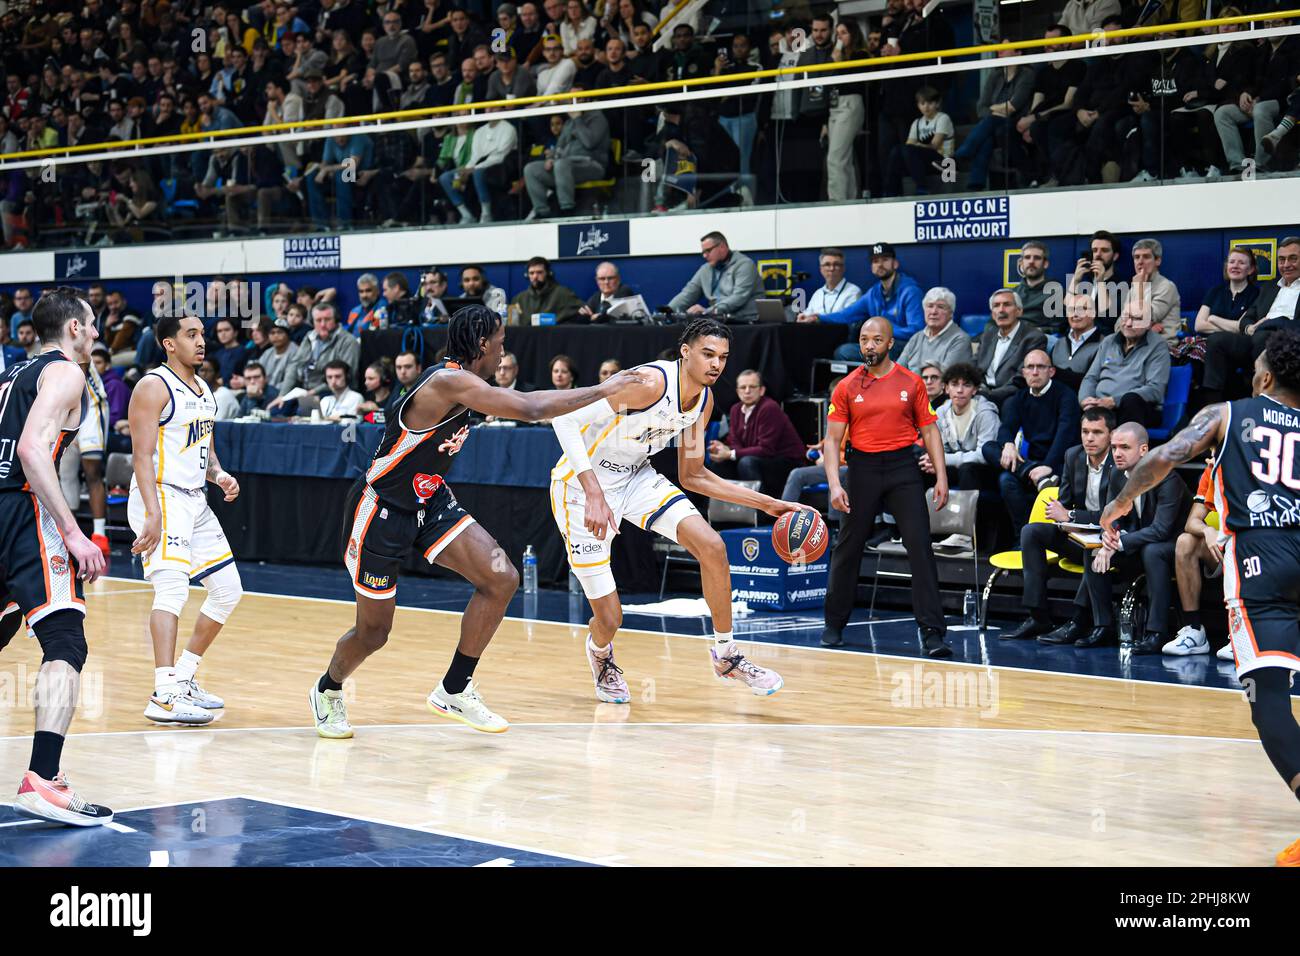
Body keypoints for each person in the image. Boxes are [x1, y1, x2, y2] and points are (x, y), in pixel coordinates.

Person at [309, 306, 648, 738]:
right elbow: (529, 407)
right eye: (501, 342)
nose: (504, 351)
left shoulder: (470, 383)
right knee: (374, 633)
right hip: (381, 510)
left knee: (501, 577)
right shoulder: (449, 381)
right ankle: (328, 689)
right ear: (483, 344)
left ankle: (454, 687)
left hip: (429, 499)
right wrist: (605, 389)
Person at [1101, 331, 1300, 864]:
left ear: (1262, 378)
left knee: (1269, 699)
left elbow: (1168, 454)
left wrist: (1121, 501)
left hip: (1262, 562)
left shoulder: (1229, 413)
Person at [549, 319, 802, 704]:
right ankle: (600, 653)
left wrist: (769, 504)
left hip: (635, 478)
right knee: (610, 618)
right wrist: (593, 491)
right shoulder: (647, 383)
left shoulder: (704, 400)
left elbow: (695, 474)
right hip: (581, 488)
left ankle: (726, 654)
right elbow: (563, 419)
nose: (716, 364)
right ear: (685, 352)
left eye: (723, 357)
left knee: (712, 546)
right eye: (708, 354)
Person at [0, 287, 111, 826]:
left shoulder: (10, 376)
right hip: (23, 512)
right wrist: (72, 531)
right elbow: (29, 451)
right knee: (65, 636)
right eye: (91, 324)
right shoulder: (65, 373)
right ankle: (43, 778)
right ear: (72, 329)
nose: (95, 333)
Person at [127, 313, 244, 726]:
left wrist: (220, 474)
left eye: (202, 334)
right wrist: (153, 512)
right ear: (168, 344)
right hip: (160, 495)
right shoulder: (152, 386)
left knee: (229, 590)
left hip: (195, 499)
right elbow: (141, 456)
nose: (201, 341)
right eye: (191, 335)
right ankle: (163, 694)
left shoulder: (204, 390)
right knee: (173, 590)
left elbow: (204, 449)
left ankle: (184, 677)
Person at [819, 317, 952, 658]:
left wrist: (941, 475)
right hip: (862, 468)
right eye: (864, 339)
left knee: (920, 547)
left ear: (890, 343)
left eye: (876, 340)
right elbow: (833, 441)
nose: (869, 346)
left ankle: (932, 632)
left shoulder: (912, 382)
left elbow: (931, 431)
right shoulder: (847, 386)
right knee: (848, 547)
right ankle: (834, 623)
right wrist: (835, 484)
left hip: (902, 468)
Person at [1005, 407, 1116, 642]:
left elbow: (1116, 514)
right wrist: (1064, 516)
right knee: (1031, 531)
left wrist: (1072, 516)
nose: (1089, 438)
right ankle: (1038, 616)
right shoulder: (1073, 456)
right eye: (1085, 431)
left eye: (1097, 432)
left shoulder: (1120, 462)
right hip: (1080, 536)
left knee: (1092, 547)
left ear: (1111, 435)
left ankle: (1078, 620)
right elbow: (1063, 506)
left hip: (1111, 542)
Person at [1077, 422, 1190, 653]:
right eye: (1114, 447)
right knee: (1093, 549)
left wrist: (1118, 543)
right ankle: (1103, 626)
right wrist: (1108, 541)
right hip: (1139, 543)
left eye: (1124, 447)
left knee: (1154, 550)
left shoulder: (1167, 478)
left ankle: (1156, 632)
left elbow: (1161, 530)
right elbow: (1115, 518)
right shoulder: (1118, 475)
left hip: (1175, 548)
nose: (1117, 453)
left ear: (1144, 450)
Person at [981, 348, 1080, 532]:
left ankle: (1030, 535)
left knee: (1006, 476)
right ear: (1024, 372)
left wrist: (1048, 466)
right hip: (1030, 466)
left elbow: (1064, 436)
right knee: (989, 449)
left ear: (1051, 371)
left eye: (1040, 367)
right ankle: (1022, 537)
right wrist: (1009, 444)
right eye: (1030, 367)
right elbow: (1006, 428)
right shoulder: (1019, 398)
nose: (1035, 372)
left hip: (1059, 464)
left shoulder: (1066, 396)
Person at [1202, 236, 1300, 406]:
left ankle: (1261, 404)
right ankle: (1213, 405)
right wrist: (1248, 328)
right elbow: (1248, 317)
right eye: (1282, 260)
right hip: (1256, 337)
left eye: (1293, 258)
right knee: (1217, 340)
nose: (1286, 265)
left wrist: (1273, 323)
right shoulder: (1270, 287)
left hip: (1290, 341)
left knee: (1264, 337)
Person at [797, 244, 925, 359]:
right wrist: (817, 318)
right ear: (872, 267)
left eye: (885, 260)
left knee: (877, 354)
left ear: (895, 263)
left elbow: (916, 330)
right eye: (875, 261)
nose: (880, 264)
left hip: (903, 345)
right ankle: (864, 383)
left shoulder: (910, 291)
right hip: (880, 344)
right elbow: (846, 314)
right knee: (843, 352)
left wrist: (884, 333)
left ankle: (879, 381)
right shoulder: (874, 293)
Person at [707, 369, 807, 499]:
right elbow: (734, 440)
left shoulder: (769, 408)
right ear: (737, 391)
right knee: (719, 464)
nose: (747, 391)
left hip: (787, 463)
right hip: (759, 459)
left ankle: (760, 512)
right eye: (743, 387)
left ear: (761, 390)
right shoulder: (735, 409)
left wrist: (731, 453)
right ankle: (723, 510)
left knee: (746, 462)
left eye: (752, 387)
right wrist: (725, 449)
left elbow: (766, 449)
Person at [1078, 290, 1172, 428]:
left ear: (1149, 324)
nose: (1128, 323)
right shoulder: (1109, 341)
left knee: (1131, 400)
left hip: (1136, 409)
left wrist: (1115, 401)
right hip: (1101, 408)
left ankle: (1125, 447)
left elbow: (1155, 390)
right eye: (1125, 317)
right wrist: (1086, 400)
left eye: (1136, 319)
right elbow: (1091, 377)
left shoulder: (1158, 346)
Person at [1162, 460, 1222, 657]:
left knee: (1245, 542)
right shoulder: (1213, 470)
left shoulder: (1257, 465)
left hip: (1259, 544)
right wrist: (1208, 530)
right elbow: (1192, 522)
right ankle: (1194, 630)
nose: (1209, 457)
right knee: (1186, 541)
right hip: (1225, 548)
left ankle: (1243, 634)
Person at [926, 362, 1000, 502]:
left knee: (967, 470)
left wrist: (943, 460)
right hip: (957, 467)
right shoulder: (941, 412)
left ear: (974, 390)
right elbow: (940, 448)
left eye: (966, 385)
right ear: (946, 388)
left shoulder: (986, 413)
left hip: (985, 470)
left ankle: (967, 522)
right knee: (922, 469)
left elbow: (985, 455)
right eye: (954, 384)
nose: (960, 390)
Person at [522, 106, 609, 219]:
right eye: (571, 100)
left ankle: (567, 209)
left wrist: (578, 120)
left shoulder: (597, 118)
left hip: (592, 165)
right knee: (530, 169)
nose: (574, 103)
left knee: (561, 164)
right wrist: (551, 158)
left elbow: (589, 142)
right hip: (564, 167)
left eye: (578, 99)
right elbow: (559, 147)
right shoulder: (568, 123)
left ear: (586, 100)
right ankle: (542, 212)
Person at [974, 289, 1050, 408]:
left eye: (1007, 305)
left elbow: (1021, 380)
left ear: (1019, 311)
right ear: (993, 314)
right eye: (996, 306)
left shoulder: (1033, 338)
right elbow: (974, 367)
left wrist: (987, 395)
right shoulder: (987, 335)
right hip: (980, 392)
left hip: (1009, 397)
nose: (1001, 310)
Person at [666, 231, 759, 322]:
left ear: (722, 247)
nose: (704, 255)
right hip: (718, 319)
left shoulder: (745, 265)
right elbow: (688, 293)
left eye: (708, 251)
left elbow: (739, 297)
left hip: (744, 321)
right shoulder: (706, 269)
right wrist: (668, 311)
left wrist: (708, 311)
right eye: (703, 252)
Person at [896, 287, 973, 374]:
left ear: (951, 313)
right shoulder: (916, 337)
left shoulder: (960, 339)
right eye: (930, 306)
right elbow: (897, 370)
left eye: (940, 307)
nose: (933, 312)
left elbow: (943, 378)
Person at [1050, 292, 1103, 393]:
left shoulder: (1104, 345)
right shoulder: (1058, 343)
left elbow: (1093, 382)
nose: (1075, 314)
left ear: (1093, 314)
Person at [509, 256, 585, 324]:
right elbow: (511, 324)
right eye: (531, 273)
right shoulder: (519, 299)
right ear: (527, 275)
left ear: (548, 273)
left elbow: (583, 310)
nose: (535, 276)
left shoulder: (563, 293)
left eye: (539, 272)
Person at [1010, 241, 1056, 333]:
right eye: (1027, 257)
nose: (1031, 261)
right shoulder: (1011, 294)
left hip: (1038, 340)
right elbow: (992, 324)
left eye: (1037, 258)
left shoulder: (1055, 293)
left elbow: (1059, 328)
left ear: (1045, 264)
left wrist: (1037, 331)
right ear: (1021, 263)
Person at [803, 248, 862, 318]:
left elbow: (849, 319)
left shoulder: (853, 291)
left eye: (836, 264)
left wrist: (819, 319)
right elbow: (807, 316)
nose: (831, 268)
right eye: (827, 264)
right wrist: (803, 317)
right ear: (821, 269)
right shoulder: (818, 294)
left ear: (843, 268)